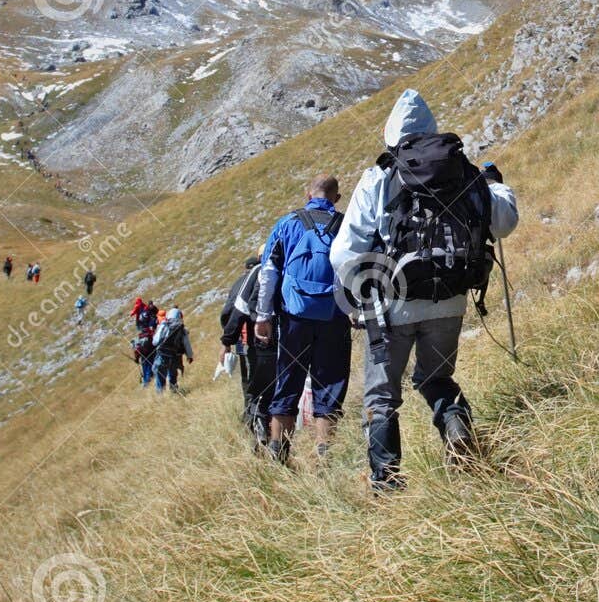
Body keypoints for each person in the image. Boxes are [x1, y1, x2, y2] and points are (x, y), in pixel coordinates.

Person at [331, 90, 519, 491]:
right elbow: (502, 223)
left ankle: (387, 483)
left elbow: (344, 252)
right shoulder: (465, 172)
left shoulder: (380, 177)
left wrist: (362, 289)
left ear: (391, 135)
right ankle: (457, 431)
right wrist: (496, 187)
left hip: (391, 305)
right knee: (436, 379)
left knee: (382, 397)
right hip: (449, 298)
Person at [252, 176, 350, 464]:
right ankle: (324, 453)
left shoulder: (287, 223)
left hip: (294, 317)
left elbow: (268, 272)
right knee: (330, 380)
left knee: (288, 379)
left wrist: (263, 315)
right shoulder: (346, 224)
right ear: (337, 198)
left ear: (308, 194)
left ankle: (278, 449)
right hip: (334, 315)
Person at [222, 259, 276, 448]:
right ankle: (274, 431)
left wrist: (228, 340)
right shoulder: (281, 269)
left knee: (252, 385)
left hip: (252, 343)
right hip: (285, 341)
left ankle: (254, 424)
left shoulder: (245, 279)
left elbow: (232, 310)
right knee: (278, 387)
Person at [151, 307, 194, 394]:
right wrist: (190, 356)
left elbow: (155, 342)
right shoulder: (182, 329)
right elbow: (187, 344)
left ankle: (160, 399)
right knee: (173, 377)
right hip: (174, 357)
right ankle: (174, 393)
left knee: (160, 378)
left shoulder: (164, 325)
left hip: (162, 356)